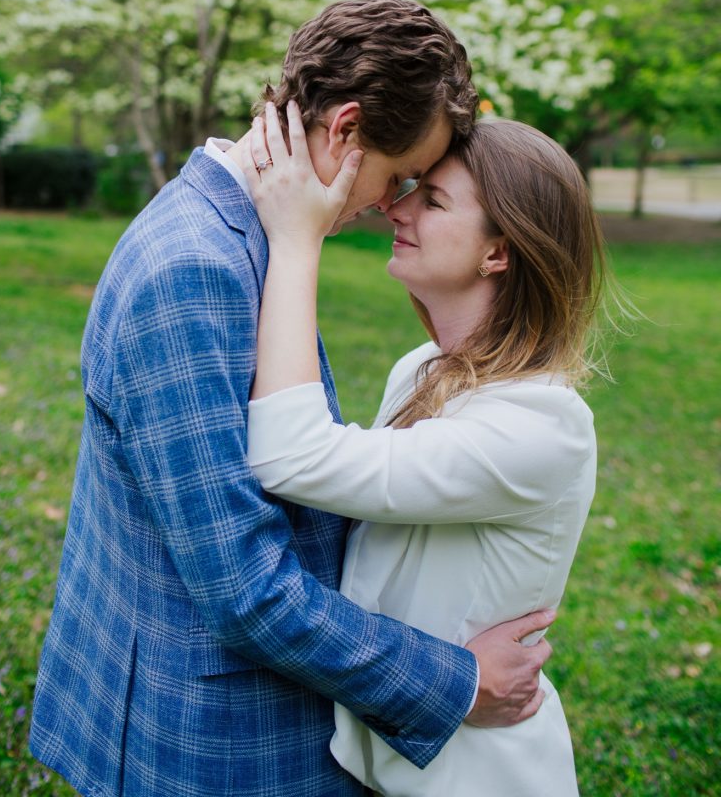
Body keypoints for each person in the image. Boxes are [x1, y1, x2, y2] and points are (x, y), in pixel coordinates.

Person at [30, 0, 554, 797]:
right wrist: (453, 681)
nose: (390, 203)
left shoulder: (252, 237)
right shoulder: (194, 269)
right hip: (211, 739)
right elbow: (244, 591)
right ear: (344, 129)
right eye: (396, 175)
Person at [245, 102, 606, 796]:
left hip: (471, 775)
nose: (397, 210)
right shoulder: (420, 369)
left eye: (432, 199)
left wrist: (297, 241)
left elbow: (294, 457)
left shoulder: (541, 423)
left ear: (498, 251)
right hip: (380, 753)